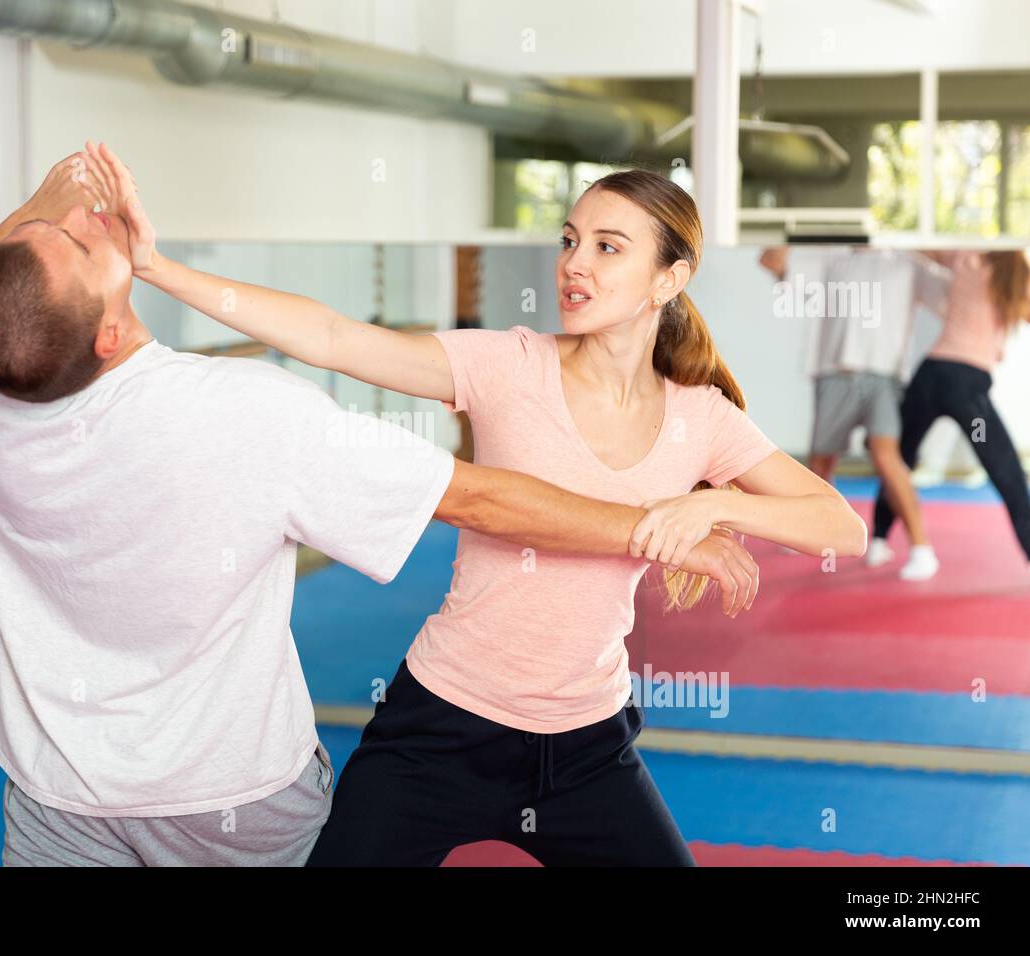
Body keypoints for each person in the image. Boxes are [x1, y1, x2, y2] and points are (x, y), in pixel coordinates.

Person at [0, 146, 766, 867]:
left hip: (53, 799)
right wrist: (660, 528)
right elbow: (480, 501)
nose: (73, 219)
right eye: (71, 242)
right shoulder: (245, 410)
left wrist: (33, 217)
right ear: (110, 332)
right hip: (237, 801)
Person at [139, 161, 868, 866]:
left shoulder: (701, 419)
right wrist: (157, 268)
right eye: (570, 240)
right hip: (441, 730)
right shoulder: (509, 366)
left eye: (609, 247)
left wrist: (698, 514)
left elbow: (840, 525)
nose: (575, 263)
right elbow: (333, 338)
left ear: (669, 279)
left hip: (587, 748)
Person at [759, 245, 947, 579]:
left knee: (887, 458)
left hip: (883, 379)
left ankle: (922, 549)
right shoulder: (832, 258)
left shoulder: (908, 263)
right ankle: (807, 530)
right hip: (835, 373)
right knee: (821, 464)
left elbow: (950, 295)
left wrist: (937, 250)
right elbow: (770, 259)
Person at [872, 249, 1030, 564]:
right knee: (1003, 467)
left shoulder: (967, 259)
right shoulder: (1018, 279)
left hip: (930, 377)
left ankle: (878, 539)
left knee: (900, 457)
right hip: (967, 389)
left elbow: (925, 247)